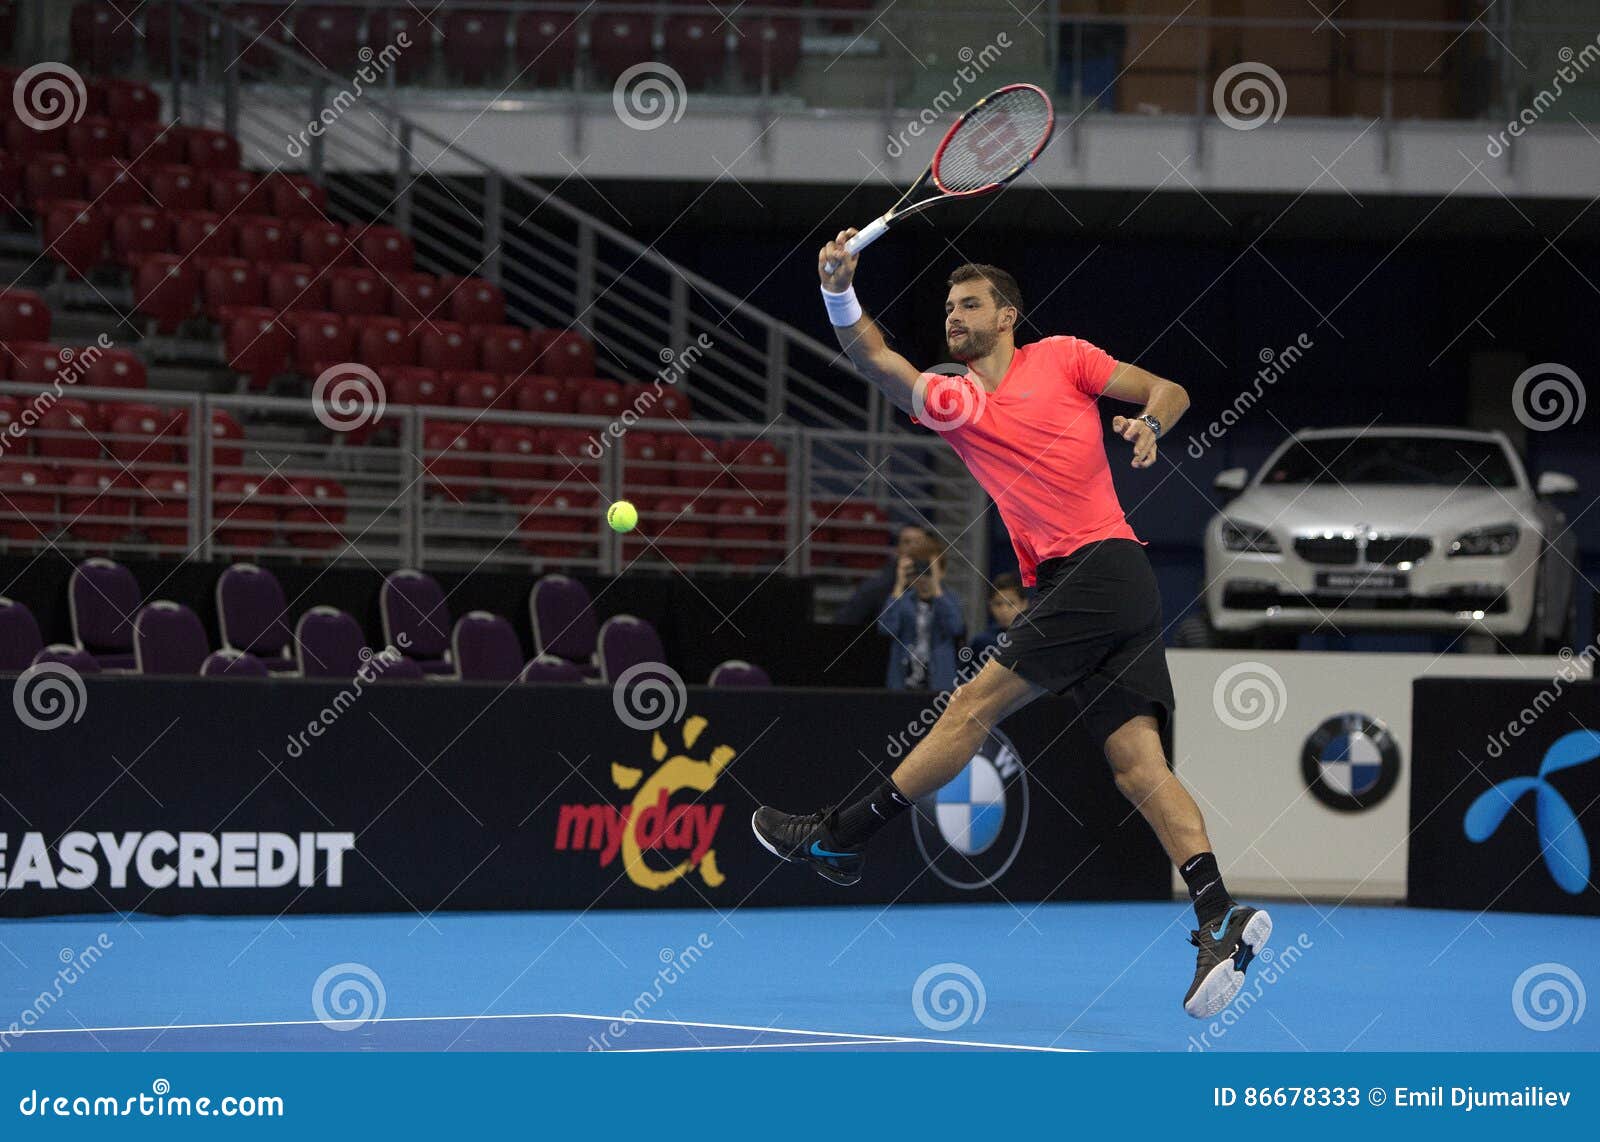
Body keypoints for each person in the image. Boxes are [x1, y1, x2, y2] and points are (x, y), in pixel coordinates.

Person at [751, 234, 1272, 1020]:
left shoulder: (1063, 356)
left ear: (1008, 316)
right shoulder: (956, 399)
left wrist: (1151, 425)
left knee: (971, 706)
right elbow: (876, 360)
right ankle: (1219, 916)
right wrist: (836, 290)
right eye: (948, 307)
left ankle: (841, 834)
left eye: (969, 305)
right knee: (1138, 768)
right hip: (1097, 587)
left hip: (1103, 567)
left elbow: (1166, 388)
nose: (953, 317)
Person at [877, 536, 963, 692]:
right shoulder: (902, 601)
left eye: (928, 570)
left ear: (941, 571)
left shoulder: (949, 600)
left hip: (939, 685)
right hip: (902, 683)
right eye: (918, 571)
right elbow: (886, 629)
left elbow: (955, 628)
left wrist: (936, 586)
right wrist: (899, 583)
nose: (923, 578)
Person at [833, 523, 931, 626]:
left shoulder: (932, 586)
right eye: (907, 542)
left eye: (919, 543)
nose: (913, 548)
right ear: (897, 549)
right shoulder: (876, 588)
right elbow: (844, 622)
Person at [969, 573, 1027, 659]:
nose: (1004, 610)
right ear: (990, 605)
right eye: (998, 604)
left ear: (1024, 604)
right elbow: (964, 671)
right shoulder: (982, 642)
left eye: (1011, 604)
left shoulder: (1034, 640)